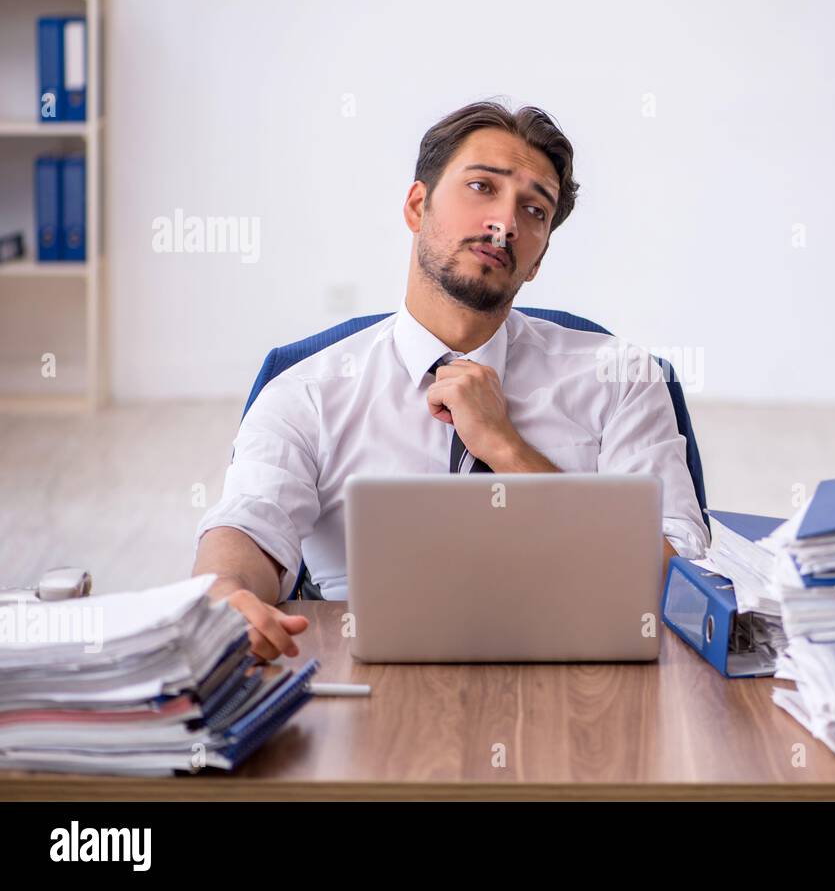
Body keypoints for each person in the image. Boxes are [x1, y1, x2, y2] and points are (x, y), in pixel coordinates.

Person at [191, 101, 708, 661]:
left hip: (583, 692)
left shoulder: (621, 378)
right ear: (418, 206)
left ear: (537, 260)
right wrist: (227, 590)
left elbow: (683, 586)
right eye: (482, 187)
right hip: (377, 694)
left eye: (535, 210)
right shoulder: (309, 391)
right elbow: (248, 524)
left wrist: (507, 449)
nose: (505, 223)